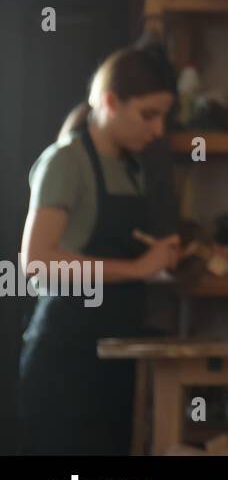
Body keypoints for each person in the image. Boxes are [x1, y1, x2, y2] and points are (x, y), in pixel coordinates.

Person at [20, 43, 182, 454]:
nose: (158, 130)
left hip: (114, 357)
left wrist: (158, 261)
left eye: (163, 117)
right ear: (110, 102)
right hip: (65, 360)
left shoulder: (131, 168)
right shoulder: (66, 161)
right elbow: (37, 263)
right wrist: (138, 268)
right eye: (148, 115)